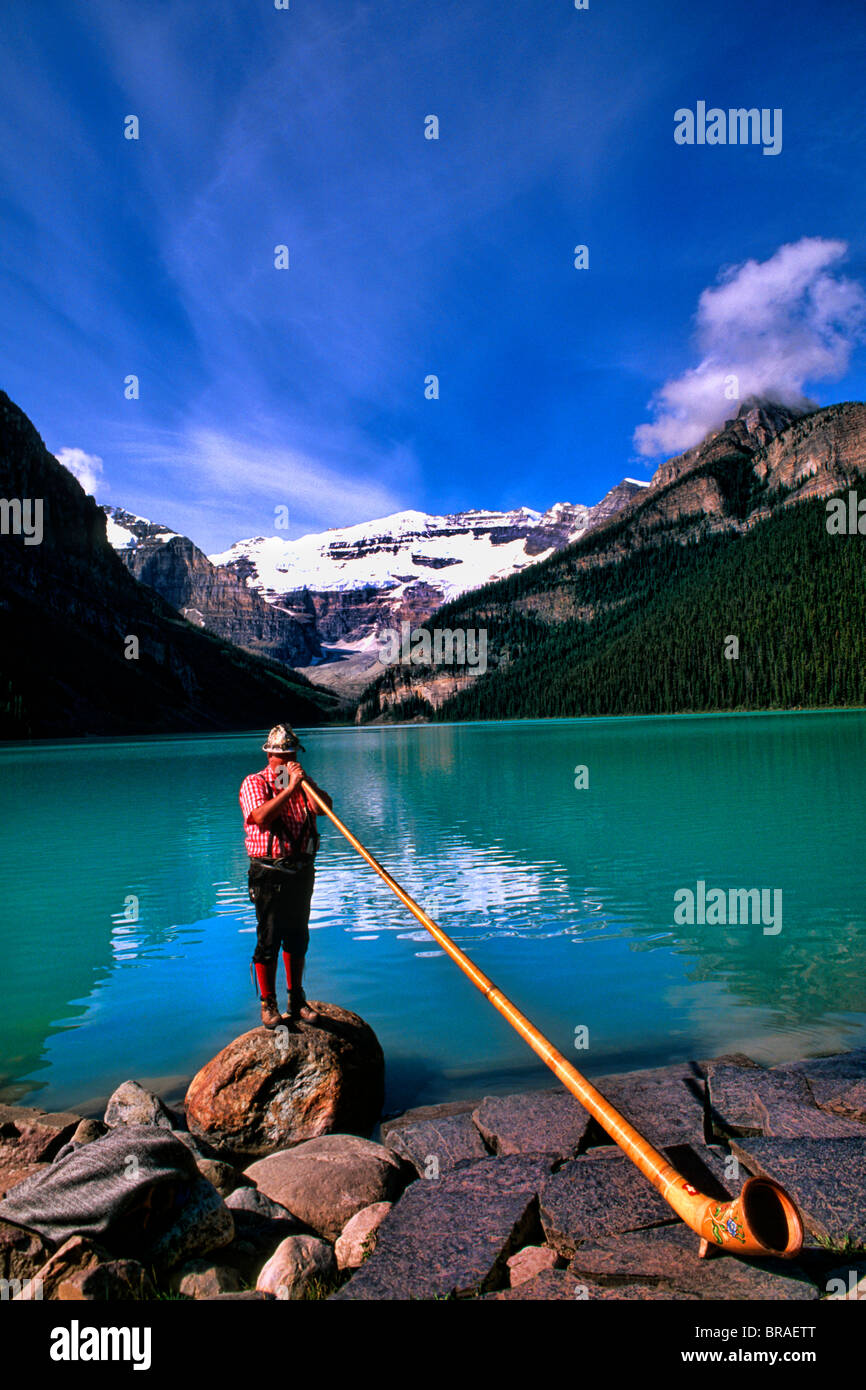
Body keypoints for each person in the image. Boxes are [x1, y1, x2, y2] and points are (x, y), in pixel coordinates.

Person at [239, 724, 332, 1030]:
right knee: (269, 939)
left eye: (292, 754)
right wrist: (290, 789)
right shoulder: (254, 783)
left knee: (298, 936)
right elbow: (262, 817)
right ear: (270, 756)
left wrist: (305, 785)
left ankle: (297, 999)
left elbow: (325, 809)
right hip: (269, 874)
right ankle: (268, 1005)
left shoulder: (302, 783)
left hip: (301, 872)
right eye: (283, 755)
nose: (288, 760)